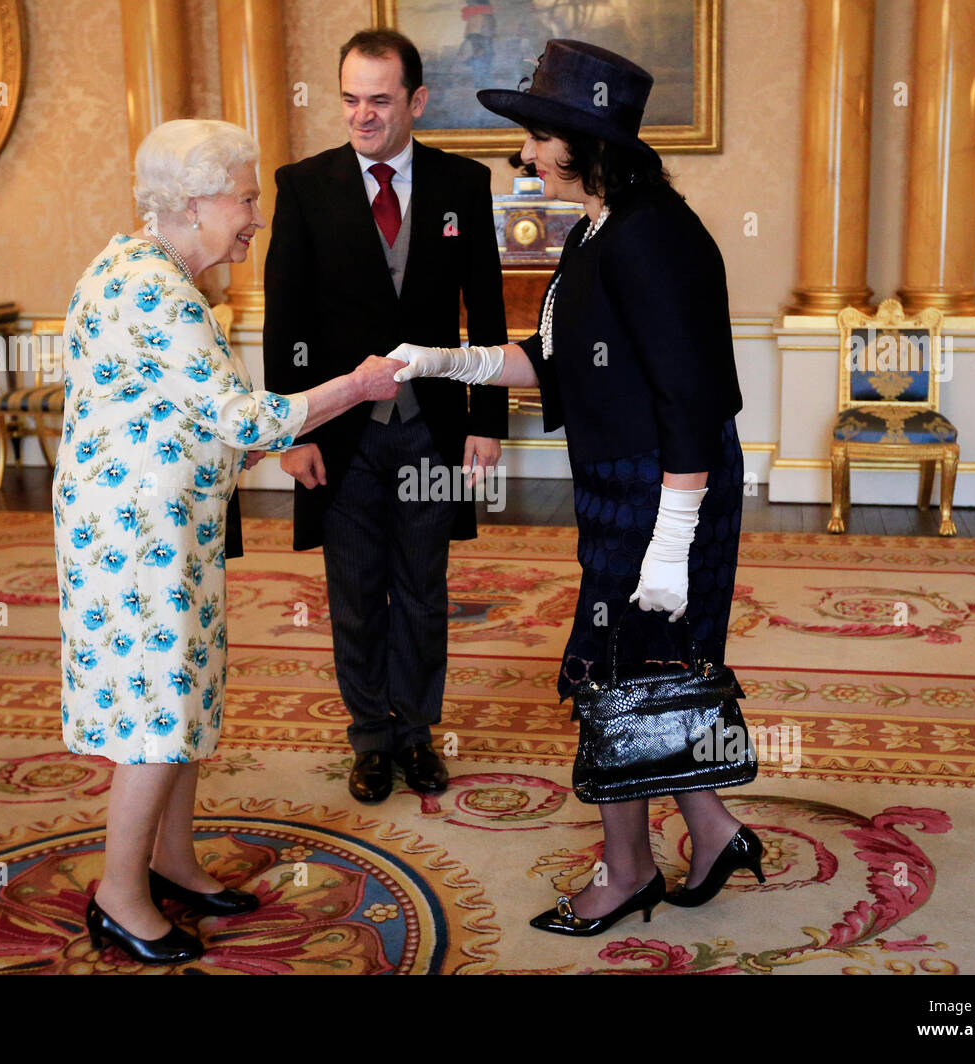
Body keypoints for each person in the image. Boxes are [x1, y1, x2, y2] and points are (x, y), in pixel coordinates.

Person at [388, 40, 763, 935]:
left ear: (586, 145)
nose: (522, 152)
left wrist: (671, 540)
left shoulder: (655, 236)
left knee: (617, 673)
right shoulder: (601, 226)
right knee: (645, 670)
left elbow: (690, 395)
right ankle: (712, 830)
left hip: (665, 491)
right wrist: (441, 359)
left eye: (535, 137)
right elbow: (554, 360)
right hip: (621, 490)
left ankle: (629, 868)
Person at [54, 118, 400, 965]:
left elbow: (207, 421)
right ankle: (120, 894)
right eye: (245, 197)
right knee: (157, 710)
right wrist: (356, 385)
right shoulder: (152, 288)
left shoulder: (155, 273)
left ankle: (171, 860)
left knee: (186, 692)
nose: (255, 216)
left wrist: (258, 431)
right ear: (194, 199)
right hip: (134, 538)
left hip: (164, 527)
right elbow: (248, 417)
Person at [258, 28, 508, 804]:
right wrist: (292, 430)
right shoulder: (303, 186)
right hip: (341, 433)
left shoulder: (462, 185)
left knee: (425, 588)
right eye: (349, 99)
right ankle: (370, 738)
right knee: (357, 590)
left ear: (416, 101)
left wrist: (486, 419)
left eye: (379, 100)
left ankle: (417, 731)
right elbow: (285, 317)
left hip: (430, 428)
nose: (361, 116)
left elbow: (487, 310)